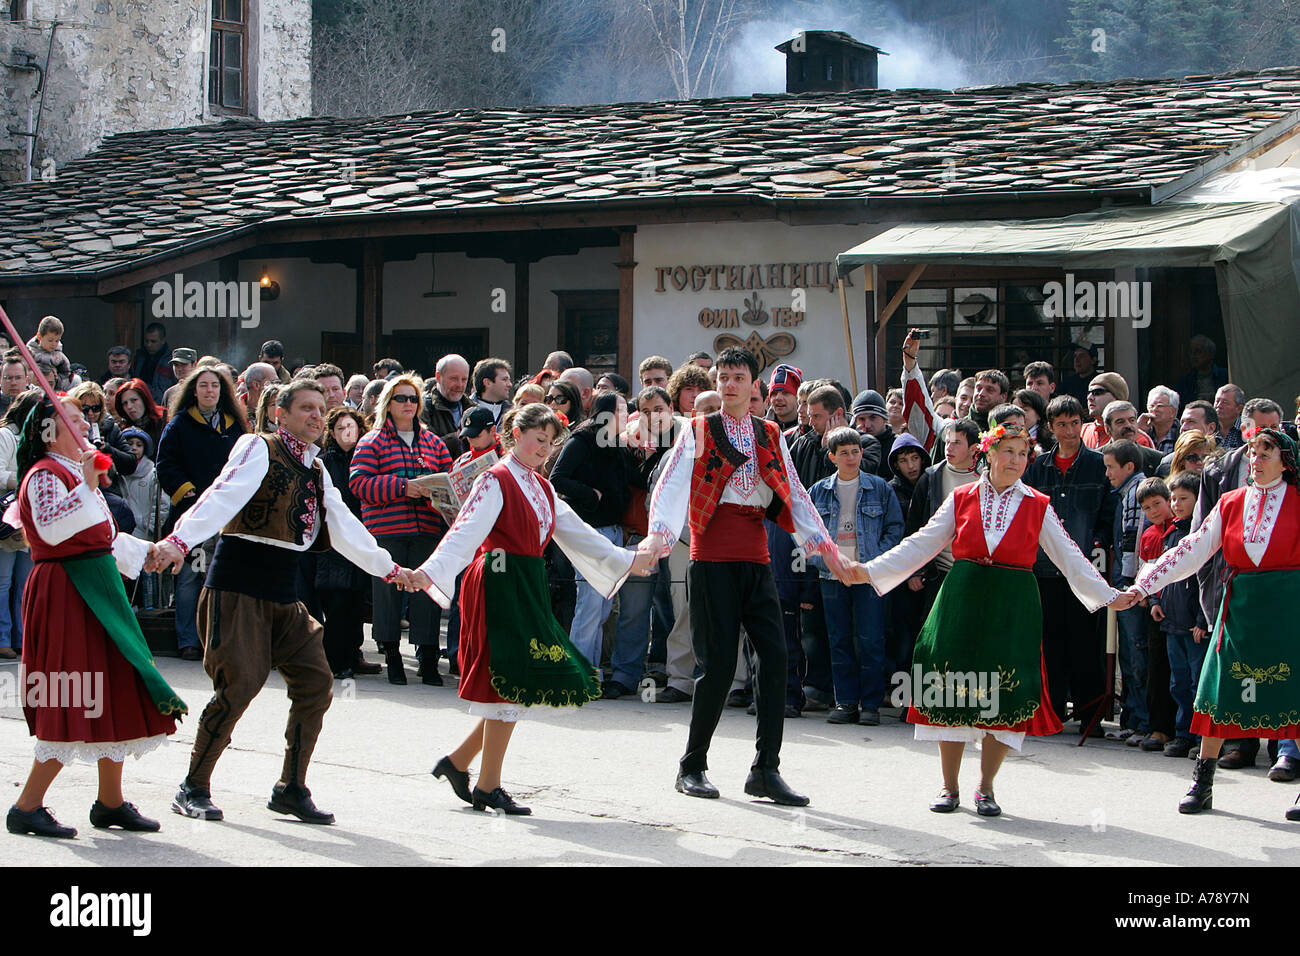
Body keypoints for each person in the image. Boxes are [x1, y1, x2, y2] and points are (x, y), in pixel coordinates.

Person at [156, 379, 410, 825]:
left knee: (316, 683)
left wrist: (388, 569)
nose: (316, 415)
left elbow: (345, 524)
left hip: (283, 595)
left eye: (320, 408)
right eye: (306, 408)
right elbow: (221, 497)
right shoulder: (258, 448)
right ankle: (193, 785)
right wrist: (179, 541)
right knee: (239, 687)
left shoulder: (315, 467)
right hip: (237, 589)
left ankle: (290, 787)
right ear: (280, 413)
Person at [852, 422, 1120, 815]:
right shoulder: (961, 497)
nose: (1016, 460)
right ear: (989, 454)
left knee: (1003, 691)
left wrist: (1110, 596)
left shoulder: (1037, 504)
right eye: (1008, 451)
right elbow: (923, 543)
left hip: (1013, 605)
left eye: (1023, 453)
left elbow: (1071, 556)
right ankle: (948, 787)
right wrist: (870, 571)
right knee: (951, 687)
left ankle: (986, 788)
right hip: (962, 598)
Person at [407, 403, 654, 814]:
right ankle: (486, 785)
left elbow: (576, 531)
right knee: (512, 681)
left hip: (525, 583)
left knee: (517, 681)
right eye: (538, 440)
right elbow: (464, 533)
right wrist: (429, 572)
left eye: (549, 442)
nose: (544, 449)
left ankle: (458, 764)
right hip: (498, 581)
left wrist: (625, 558)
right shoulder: (495, 479)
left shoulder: (539, 485)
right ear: (515, 434)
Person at [642, 346, 853, 807]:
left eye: (739, 376)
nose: (731, 384)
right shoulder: (697, 430)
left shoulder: (770, 432)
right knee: (716, 667)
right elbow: (671, 484)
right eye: (724, 376)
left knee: (775, 659)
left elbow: (793, 493)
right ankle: (692, 765)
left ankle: (765, 769)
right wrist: (657, 535)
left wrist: (824, 548)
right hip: (712, 560)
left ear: (754, 384)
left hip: (757, 560)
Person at [6, 393, 185, 838]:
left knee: (116, 685)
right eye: (72, 417)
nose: (86, 423)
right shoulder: (43, 475)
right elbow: (49, 530)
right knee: (72, 693)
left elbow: (102, 538)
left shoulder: (74, 473)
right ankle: (27, 805)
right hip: (66, 592)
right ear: (49, 429)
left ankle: (110, 802)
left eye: (85, 416)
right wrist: (87, 485)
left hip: (98, 588)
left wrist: (150, 552)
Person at [1121, 426, 1300, 817]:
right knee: (1218, 696)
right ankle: (1202, 783)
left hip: (1289, 611)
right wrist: (1144, 584)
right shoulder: (1231, 503)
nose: (1255, 460)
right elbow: (1193, 549)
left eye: (1265, 453)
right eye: (1252, 452)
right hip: (1241, 610)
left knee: (1294, 693)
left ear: (1285, 462)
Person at [350, 373, 453, 685]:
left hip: (427, 528)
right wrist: (402, 486)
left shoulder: (433, 442)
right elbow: (358, 483)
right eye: (401, 398)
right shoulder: (372, 441)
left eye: (413, 398)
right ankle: (392, 655)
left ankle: (428, 657)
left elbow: (449, 480)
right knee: (388, 594)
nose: (408, 404)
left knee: (427, 593)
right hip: (388, 528)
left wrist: (437, 491)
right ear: (388, 404)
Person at [1024, 395, 1114, 733]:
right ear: (1051, 427)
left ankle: (1091, 717)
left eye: (1075, 423)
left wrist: (1096, 542)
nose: (1069, 430)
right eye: (1061, 424)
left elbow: (1108, 514)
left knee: (1086, 645)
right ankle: (1054, 712)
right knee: (1050, 643)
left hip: (1084, 570)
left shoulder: (1098, 464)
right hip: (1045, 569)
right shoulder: (1037, 468)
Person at [808, 426, 904, 726]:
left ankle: (871, 705)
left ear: (862, 453)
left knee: (871, 639)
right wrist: (826, 560)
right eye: (844, 453)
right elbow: (807, 533)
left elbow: (895, 529)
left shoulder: (880, 488)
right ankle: (845, 702)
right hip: (831, 576)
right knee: (839, 640)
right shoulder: (819, 490)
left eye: (855, 451)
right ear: (832, 456)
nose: (851, 458)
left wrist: (875, 563)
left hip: (868, 576)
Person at [156, 368, 248, 660]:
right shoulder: (180, 424)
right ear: (193, 391)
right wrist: (189, 493)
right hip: (191, 515)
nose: (210, 391)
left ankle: (217, 641)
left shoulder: (236, 426)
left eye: (215, 386)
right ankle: (189, 640)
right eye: (204, 386)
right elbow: (165, 465)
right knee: (188, 580)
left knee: (222, 580)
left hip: (228, 516)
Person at [549, 391, 635, 672]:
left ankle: (591, 669)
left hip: (611, 530)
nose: (627, 415)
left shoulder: (619, 445)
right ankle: (578, 672)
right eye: (621, 410)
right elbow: (557, 478)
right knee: (589, 605)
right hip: (589, 530)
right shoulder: (583, 439)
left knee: (601, 608)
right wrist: (591, 495)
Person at [1145, 471, 1207, 759]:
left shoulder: (1200, 535)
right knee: (1178, 682)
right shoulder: (1170, 535)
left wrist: (1201, 620)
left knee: (1197, 682)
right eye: (1174, 498)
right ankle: (1182, 733)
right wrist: (1155, 599)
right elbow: (1162, 571)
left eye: (1184, 498)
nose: (1177, 503)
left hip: (1194, 626)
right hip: (1170, 622)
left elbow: (1204, 581)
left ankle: (1199, 736)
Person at [316, 406, 377, 679]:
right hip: (334, 540)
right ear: (331, 432)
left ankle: (354, 655)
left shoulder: (364, 457)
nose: (346, 432)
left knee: (356, 602)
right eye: (340, 428)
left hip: (362, 535)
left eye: (350, 427)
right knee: (337, 603)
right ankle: (335, 660)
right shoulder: (325, 460)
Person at [1104, 439, 1150, 744]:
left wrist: (1128, 585)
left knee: (1136, 654)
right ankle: (1134, 716)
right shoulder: (1125, 492)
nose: (1107, 473)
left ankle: (1142, 720)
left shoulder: (1135, 493)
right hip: (1128, 584)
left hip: (1131, 585)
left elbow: (1131, 543)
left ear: (1129, 466)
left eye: (1111, 467)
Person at [0, 389, 41, 661]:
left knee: (25, 583)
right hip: (8, 516)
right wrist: (27, 480)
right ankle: (3, 637)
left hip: (31, 516)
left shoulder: (40, 438)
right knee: (3, 582)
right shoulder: (6, 435)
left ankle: (22, 637)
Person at [68, 382, 136, 480]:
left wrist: (107, 448)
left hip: (106, 489)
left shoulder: (111, 428)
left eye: (96, 408)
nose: (91, 413)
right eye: (85, 409)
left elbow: (131, 464)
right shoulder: (67, 429)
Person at [421, 354, 477, 460]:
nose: (460, 385)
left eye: (464, 379)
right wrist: (456, 437)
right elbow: (424, 448)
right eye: (454, 378)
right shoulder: (423, 409)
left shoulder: (474, 409)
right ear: (438, 377)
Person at [113, 378, 166, 456]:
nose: (129, 406)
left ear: (144, 399)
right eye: (125, 403)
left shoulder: (165, 422)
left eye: (133, 400)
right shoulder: (122, 430)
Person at [1175, 334, 1229, 408]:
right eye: (1191, 352)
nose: (1193, 356)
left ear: (1210, 354)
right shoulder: (1186, 382)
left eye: (1198, 351)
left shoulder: (1225, 376)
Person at [130, 322, 175, 405]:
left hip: (162, 406)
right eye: (146, 341)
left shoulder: (171, 362)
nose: (149, 344)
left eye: (153, 341)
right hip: (140, 404)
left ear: (163, 340)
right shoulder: (138, 358)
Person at [26, 316, 73, 392]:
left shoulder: (58, 355)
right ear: (39, 337)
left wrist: (58, 379)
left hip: (54, 387)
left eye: (57, 341)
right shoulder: (30, 352)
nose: (54, 344)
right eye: (50, 340)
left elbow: (66, 371)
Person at [471, 358, 512, 425]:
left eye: (509, 380)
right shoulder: (464, 409)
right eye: (504, 380)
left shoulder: (512, 414)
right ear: (487, 383)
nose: (510, 384)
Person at [1214, 384, 1246, 449]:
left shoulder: (1246, 431)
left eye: (1225, 402)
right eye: (1217, 401)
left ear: (1239, 408)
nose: (1219, 406)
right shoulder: (1209, 429)